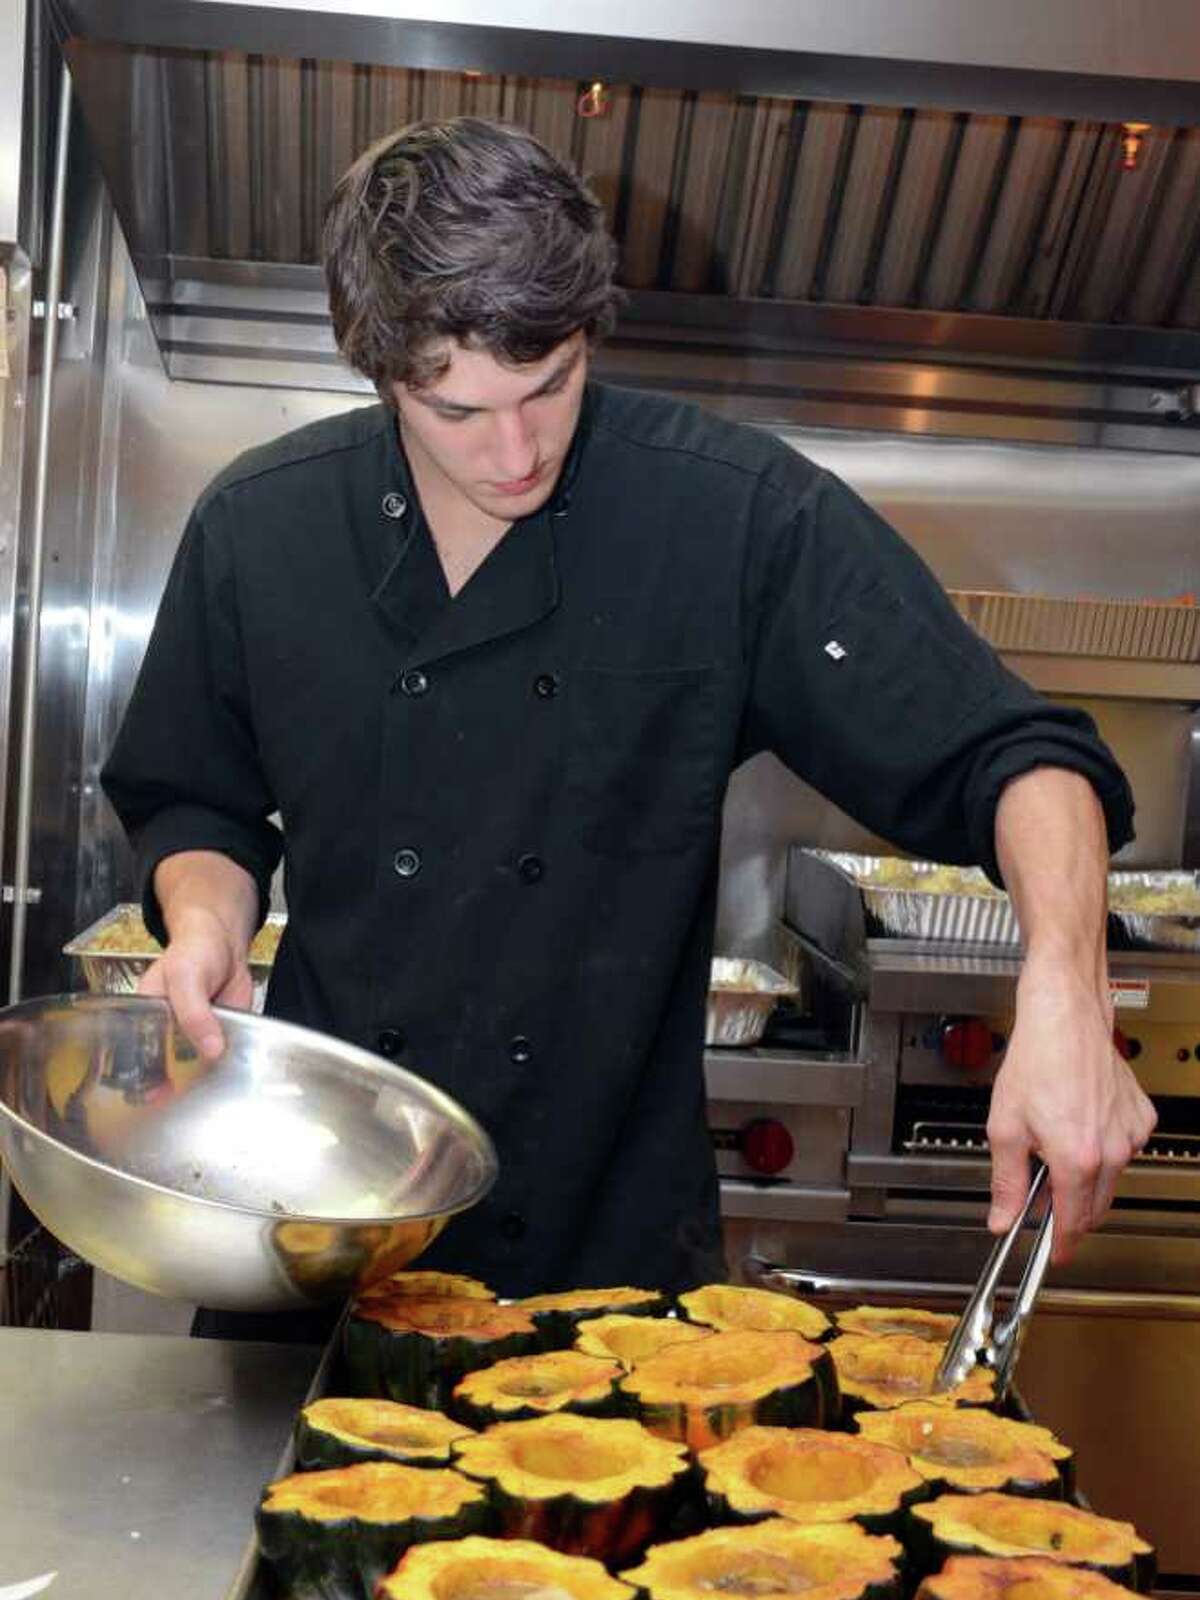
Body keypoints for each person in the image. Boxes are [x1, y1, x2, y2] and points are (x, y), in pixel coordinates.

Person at [101, 117, 1155, 1337]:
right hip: (323, 1237)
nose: (515, 450)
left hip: (608, 1275)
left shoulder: (729, 517)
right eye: (456, 410)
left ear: (591, 330)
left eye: (549, 386)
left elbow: (1015, 754)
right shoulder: (259, 530)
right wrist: (205, 922)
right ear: (379, 370)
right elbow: (198, 799)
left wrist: (1069, 992)